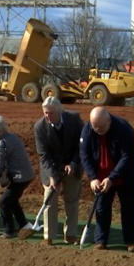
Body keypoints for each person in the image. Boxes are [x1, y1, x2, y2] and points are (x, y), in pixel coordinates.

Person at [79, 107, 134, 251]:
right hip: (100, 176)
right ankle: (101, 240)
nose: (98, 130)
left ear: (109, 120)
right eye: (95, 127)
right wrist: (93, 178)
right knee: (101, 207)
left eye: (101, 127)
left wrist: (112, 178)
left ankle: (131, 241)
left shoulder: (124, 128)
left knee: (129, 207)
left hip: (126, 174)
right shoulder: (88, 128)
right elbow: (84, 154)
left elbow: (127, 157)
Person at [33, 97, 83, 245]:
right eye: (45, 113)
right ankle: (48, 237)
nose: (47, 116)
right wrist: (52, 176)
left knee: (72, 201)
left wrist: (73, 163)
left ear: (60, 111)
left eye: (50, 113)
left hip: (72, 166)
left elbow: (82, 144)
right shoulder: (40, 127)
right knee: (49, 200)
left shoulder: (74, 119)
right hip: (51, 167)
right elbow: (43, 155)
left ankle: (71, 235)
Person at [0, 115, 36, 239]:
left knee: (3, 202)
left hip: (20, 177)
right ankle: (24, 224)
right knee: (12, 200)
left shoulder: (1, 144)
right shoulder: (13, 137)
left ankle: (9, 231)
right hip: (28, 175)